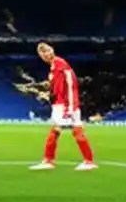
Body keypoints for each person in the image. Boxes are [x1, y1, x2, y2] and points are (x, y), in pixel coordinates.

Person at [29, 43, 97, 171]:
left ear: (52, 50)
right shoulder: (54, 67)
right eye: (42, 53)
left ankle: (49, 160)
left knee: (62, 130)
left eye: (47, 51)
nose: (45, 54)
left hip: (65, 104)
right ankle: (88, 161)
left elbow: (71, 85)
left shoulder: (61, 64)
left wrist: (71, 106)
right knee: (72, 130)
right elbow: (59, 87)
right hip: (61, 104)